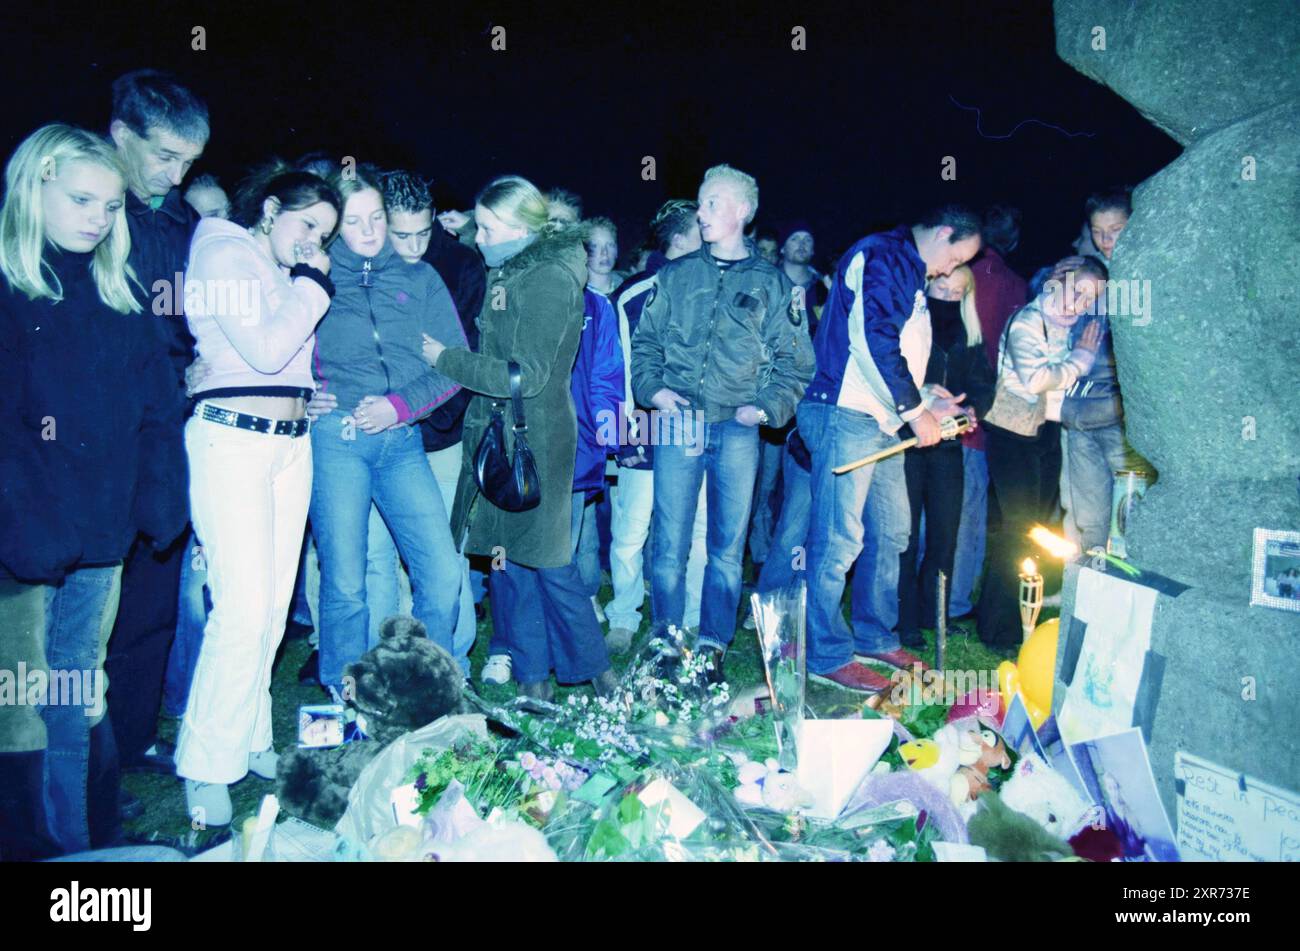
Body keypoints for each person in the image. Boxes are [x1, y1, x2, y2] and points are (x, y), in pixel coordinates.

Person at [0, 124, 187, 858]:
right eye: (81, 199)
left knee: (77, 692)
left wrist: (161, 496)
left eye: (110, 207)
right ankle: (29, 846)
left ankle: (87, 842)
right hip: (20, 545)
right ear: (35, 182)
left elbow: (155, 406)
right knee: (19, 701)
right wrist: (26, 527)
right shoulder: (11, 289)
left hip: (100, 538)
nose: (97, 218)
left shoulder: (118, 290)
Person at [175, 161, 339, 824]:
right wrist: (315, 283)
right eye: (306, 226)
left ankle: (249, 736)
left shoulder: (277, 268)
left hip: (286, 443)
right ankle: (204, 763)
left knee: (271, 610)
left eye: (323, 237)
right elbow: (267, 349)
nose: (312, 245)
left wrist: (308, 395)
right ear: (270, 207)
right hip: (232, 443)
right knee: (241, 610)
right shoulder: (222, 248)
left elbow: (282, 364)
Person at [422, 175, 616, 700]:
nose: (478, 238)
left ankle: (601, 676)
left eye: (486, 228)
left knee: (550, 563)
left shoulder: (548, 277)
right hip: (504, 438)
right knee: (513, 565)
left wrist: (446, 360)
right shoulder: (513, 267)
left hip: (536, 441)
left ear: (516, 227)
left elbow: (525, 376)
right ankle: (535, 684)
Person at [631, 164, 815, 682]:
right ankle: (665, 643)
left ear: (742, 211)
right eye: (700, 202)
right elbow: (645, 344)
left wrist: (764, 409)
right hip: (678, 423)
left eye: (711, 202)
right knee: (668, 541)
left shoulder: (774, 285)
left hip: (737, 430)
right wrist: (654, 391)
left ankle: (712, 645)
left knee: (727, 547)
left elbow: (796, 362)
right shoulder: (675, 275)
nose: (701, 212)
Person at [799, 206, 982, 691]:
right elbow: (870, 339)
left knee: (894, 532)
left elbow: (896, 354)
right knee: (839, 538)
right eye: (955, 256)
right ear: (943, 232)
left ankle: (875, 635)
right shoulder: (885, 255)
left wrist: (927, 400)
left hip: (880, 420)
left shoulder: (911, 271)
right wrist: (914, 412)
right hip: (844, 413)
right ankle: (825, 652)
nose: (950, 269)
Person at [308, 166, 468, 692]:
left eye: (377, 217)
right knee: (347, 581)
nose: (371, 230)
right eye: (355, 221)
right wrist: (301, 395)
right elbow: (278, 350)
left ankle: (432, 686)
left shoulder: (420, 278)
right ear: (334, 225)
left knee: (443, 572)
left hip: (401, 444)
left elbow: (454, 362)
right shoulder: (314, 276)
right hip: (339, 440)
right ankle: (344, 699)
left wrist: (400, 407)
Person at [104, 69, 209, 778]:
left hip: (167, 425)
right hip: (96, 427)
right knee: (87, 597)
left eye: (188, 163)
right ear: (120, 136)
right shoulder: (82, 205)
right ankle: (76, 756)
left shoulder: (181, 219)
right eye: (164, 157)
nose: (175, 176)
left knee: (152, 583)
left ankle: (136, 734)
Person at [976, 257, 1105, 646]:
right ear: (1057, 281)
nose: (1079, 304)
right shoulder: (1028, 321)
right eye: (1077, 291)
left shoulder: (1070, 326)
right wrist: (1079, 361)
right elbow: (1034, 380)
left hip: (1045, 432)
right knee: (1018, 528)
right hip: (1011, 432)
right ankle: (997, 629)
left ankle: (1016, 620)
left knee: (1033, 528)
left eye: (1090, 299)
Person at [604, 200, 709, 652]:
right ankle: (624, 616)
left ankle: (688, 619)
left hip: (699, 428)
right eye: (701, 232)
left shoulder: (712, 286)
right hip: (648, 430)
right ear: (681, 239)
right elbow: (619, 365)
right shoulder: (635, 292)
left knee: (700, 529)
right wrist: (626, 435)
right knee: (632, 529)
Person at [895, 266, 994, 646]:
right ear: (928, 284)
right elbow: (896, 376)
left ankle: (934, 615)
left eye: (957, 292)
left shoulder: (970, 334)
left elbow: (982, 384)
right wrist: (923, 395)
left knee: (945, 534)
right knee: (905, 533)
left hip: (949, 445)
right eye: (943, 288)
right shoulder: (913, 324)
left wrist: (973, 411)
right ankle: (903, 621)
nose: (949, 298)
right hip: (910, 438)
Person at [952, 205, 1027, 620]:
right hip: (979, 417)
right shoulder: (1014, 285)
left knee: (933, 509)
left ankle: (927, 596)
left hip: (933, 407)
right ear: (1012, 240)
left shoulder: (954, 270)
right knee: (970, 514)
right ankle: (957, 600)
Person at [1061, 189, 1134, 554]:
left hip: (1121, 423)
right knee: (1089, 522)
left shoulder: (1140, 277)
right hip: (1078, 418)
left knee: (1129, 518)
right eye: (1097, 230)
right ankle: (1089, 596)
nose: (1105, 240)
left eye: (1115, 230)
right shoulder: (1081, 274)